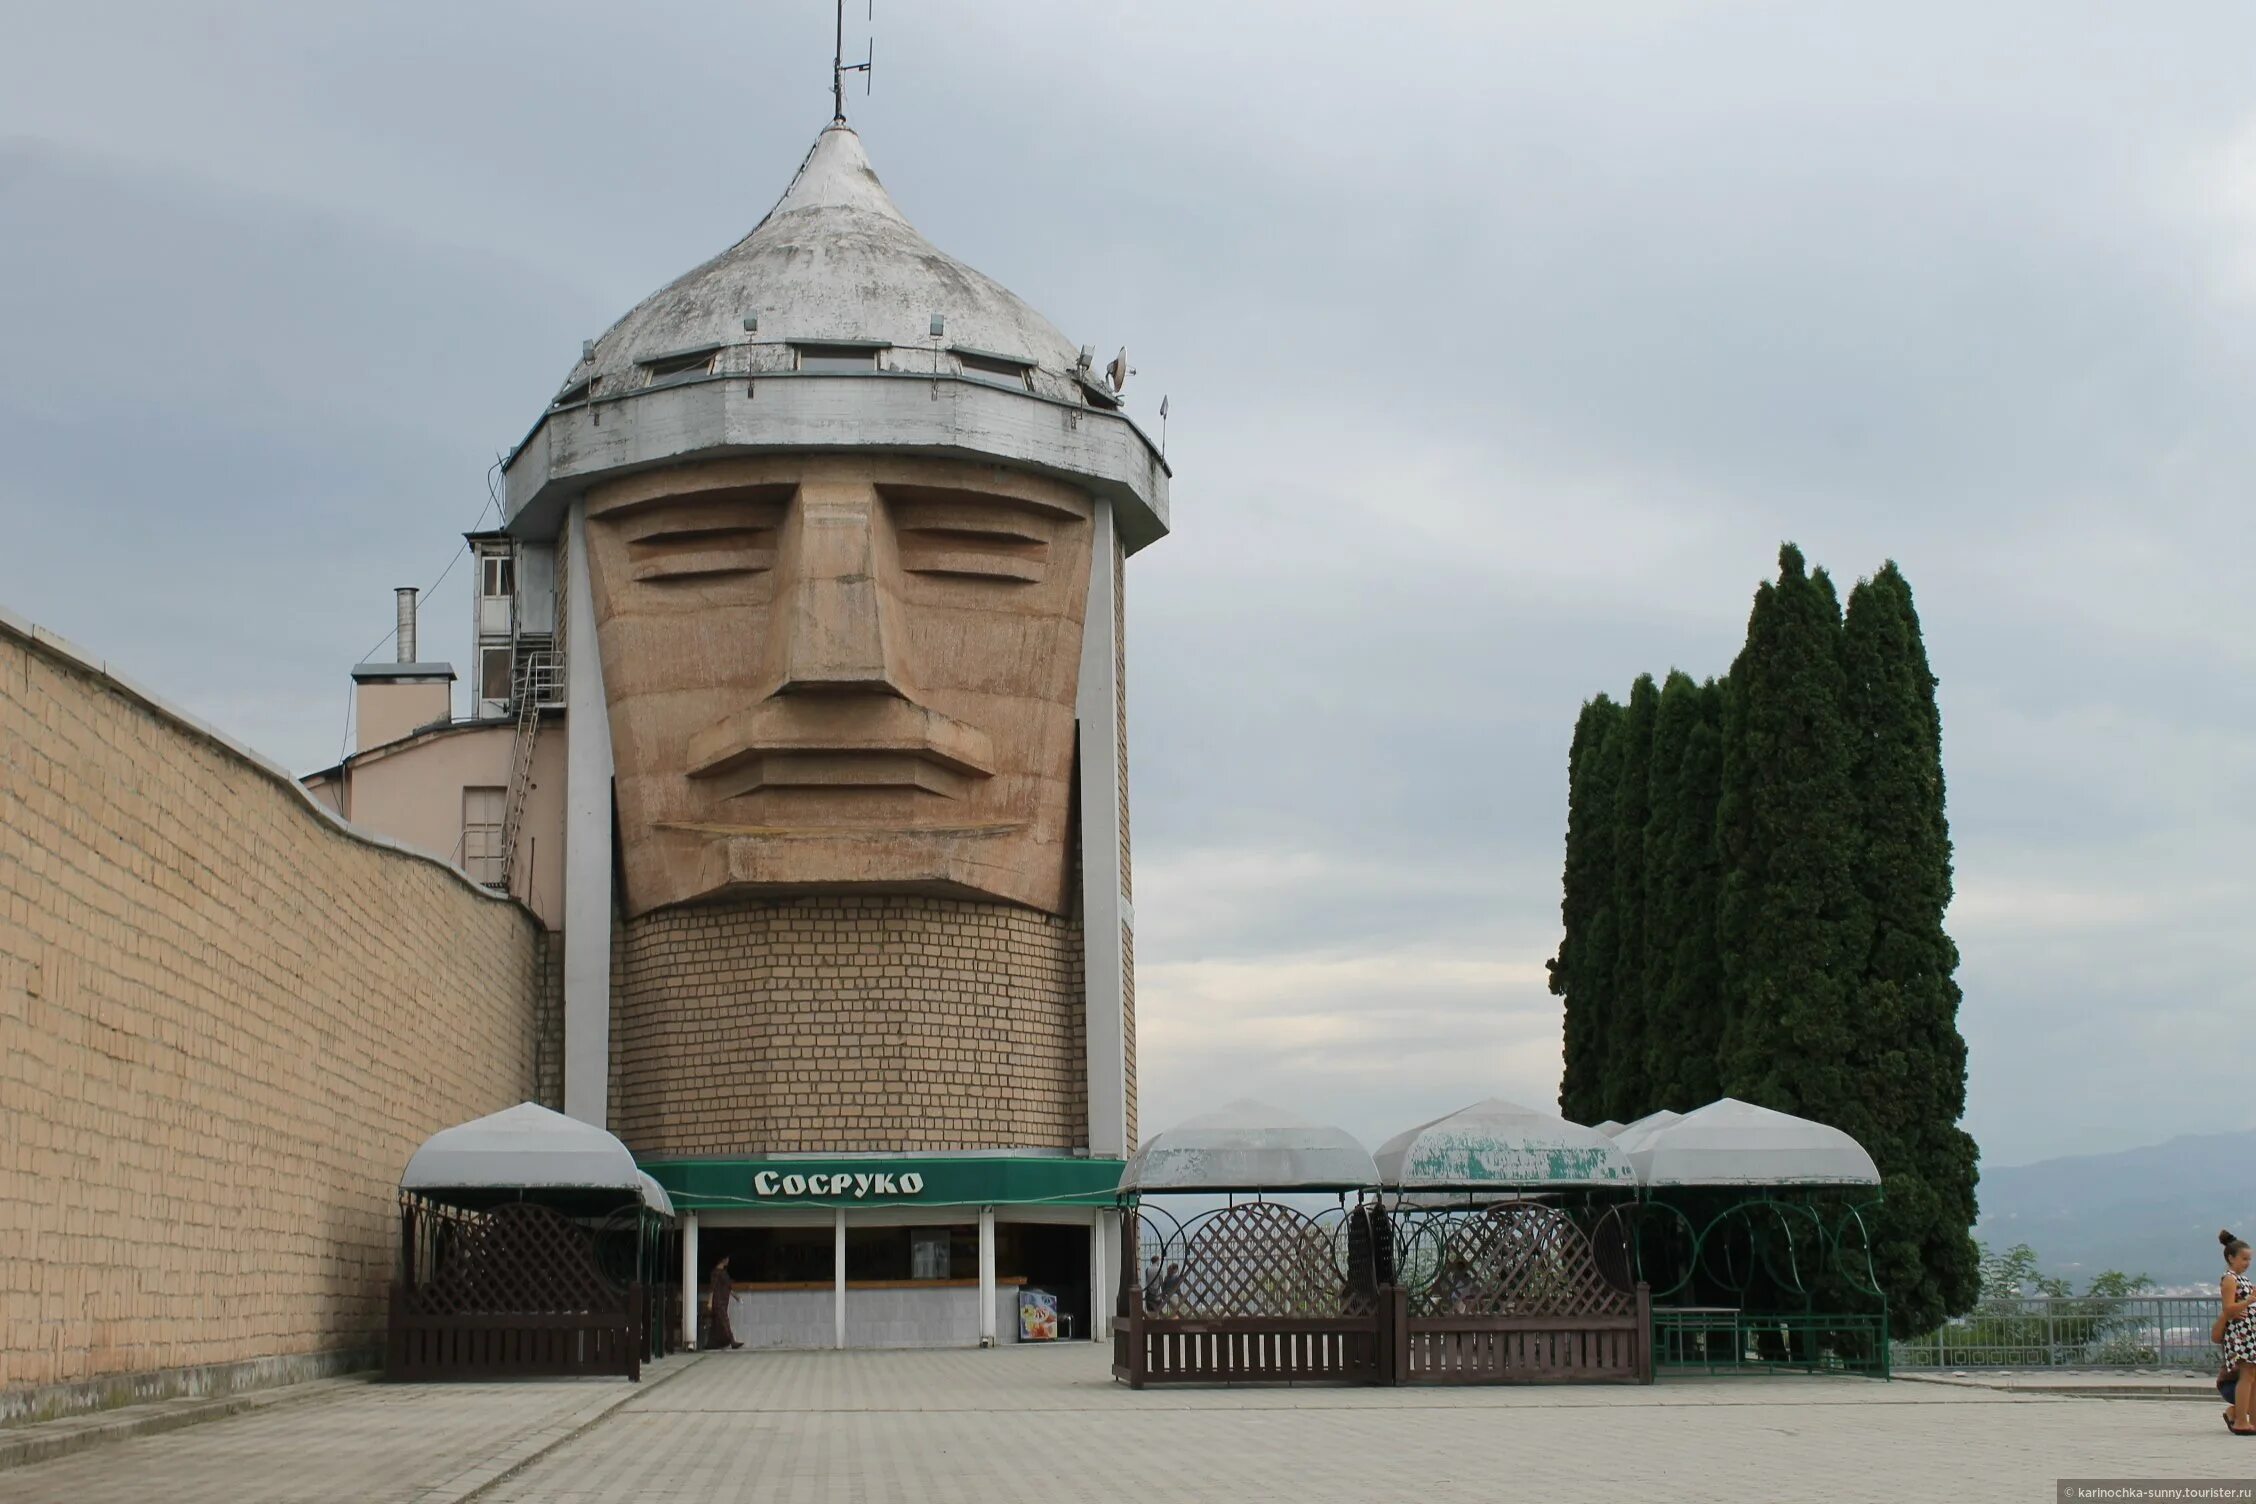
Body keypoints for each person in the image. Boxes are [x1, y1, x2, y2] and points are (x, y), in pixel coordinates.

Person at [2219, 1230, 2256, 1433]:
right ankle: (2241, 1420)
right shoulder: (2229, 1279)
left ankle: (2250, 1420)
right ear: (2231, 1258)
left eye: (2249, 1259)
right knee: (2247, 1374)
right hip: (2240, 1334)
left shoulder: (2242, 1279)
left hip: (2248, 1331)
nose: (2247, 1263)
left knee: (2252, 1375)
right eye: (2243, 1259)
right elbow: (2228, 1309)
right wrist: (2248, 1301)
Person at [708, 1255, 744, 1351]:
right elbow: (712, 1287)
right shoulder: (716, 1272)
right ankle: (732, 1341)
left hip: (724, 1300)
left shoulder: (723, 1272)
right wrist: (710, 1301)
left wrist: (735, 1296)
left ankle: (712, 1343)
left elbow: (728, 1287)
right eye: (727, 1258)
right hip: (718, 1300)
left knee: (716, 1323)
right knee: (724, 1321)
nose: (728, 1260)